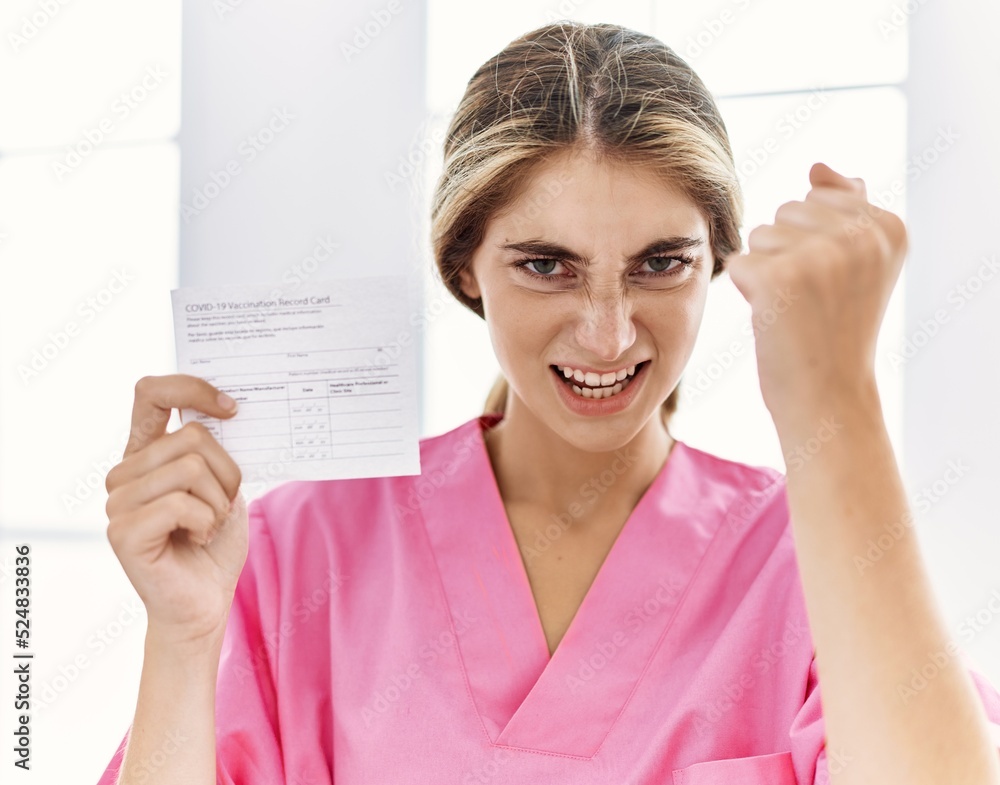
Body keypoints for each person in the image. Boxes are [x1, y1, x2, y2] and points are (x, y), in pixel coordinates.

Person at [96, 21, 1000, 785]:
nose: (607, 335)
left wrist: (834, 394)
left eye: (661, 262)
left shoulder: (817, 559)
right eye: (545, 265)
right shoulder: (297, 552)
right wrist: (181, 640)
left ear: (718, 262)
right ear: (466, 268)